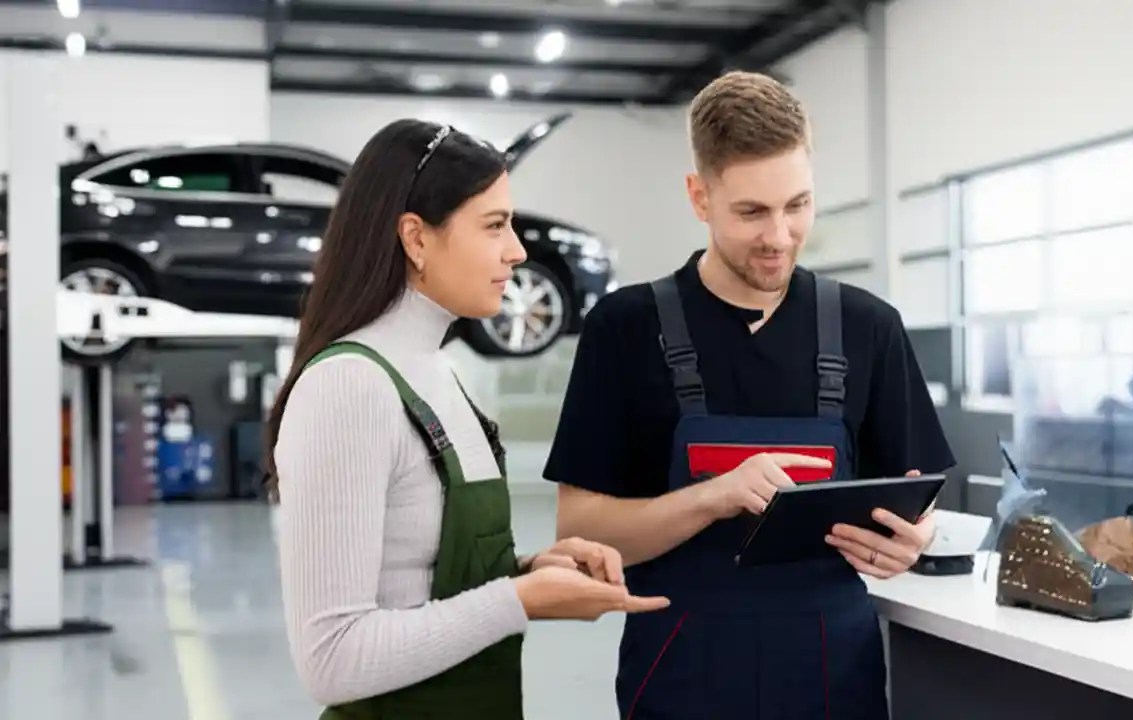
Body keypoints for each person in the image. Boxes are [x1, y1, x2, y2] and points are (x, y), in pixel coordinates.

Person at [542, 71, 956, 719]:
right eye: (752, 212)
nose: (780, 236)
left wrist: (915, 540)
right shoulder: (624, 329)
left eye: (798, 205)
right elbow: (583, 529)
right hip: (680, 669)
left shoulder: (868, 327)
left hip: (831, 670)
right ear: (699, 196)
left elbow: (918, 496)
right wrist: (712, 495)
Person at [264, 119, 668, 720]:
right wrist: (519, 599)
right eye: (495, 225)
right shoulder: (348, 386)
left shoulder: (435, 372)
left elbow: (415, 579)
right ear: (416, 238)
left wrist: (531, 569)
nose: (519, 251)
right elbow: (332, 660)